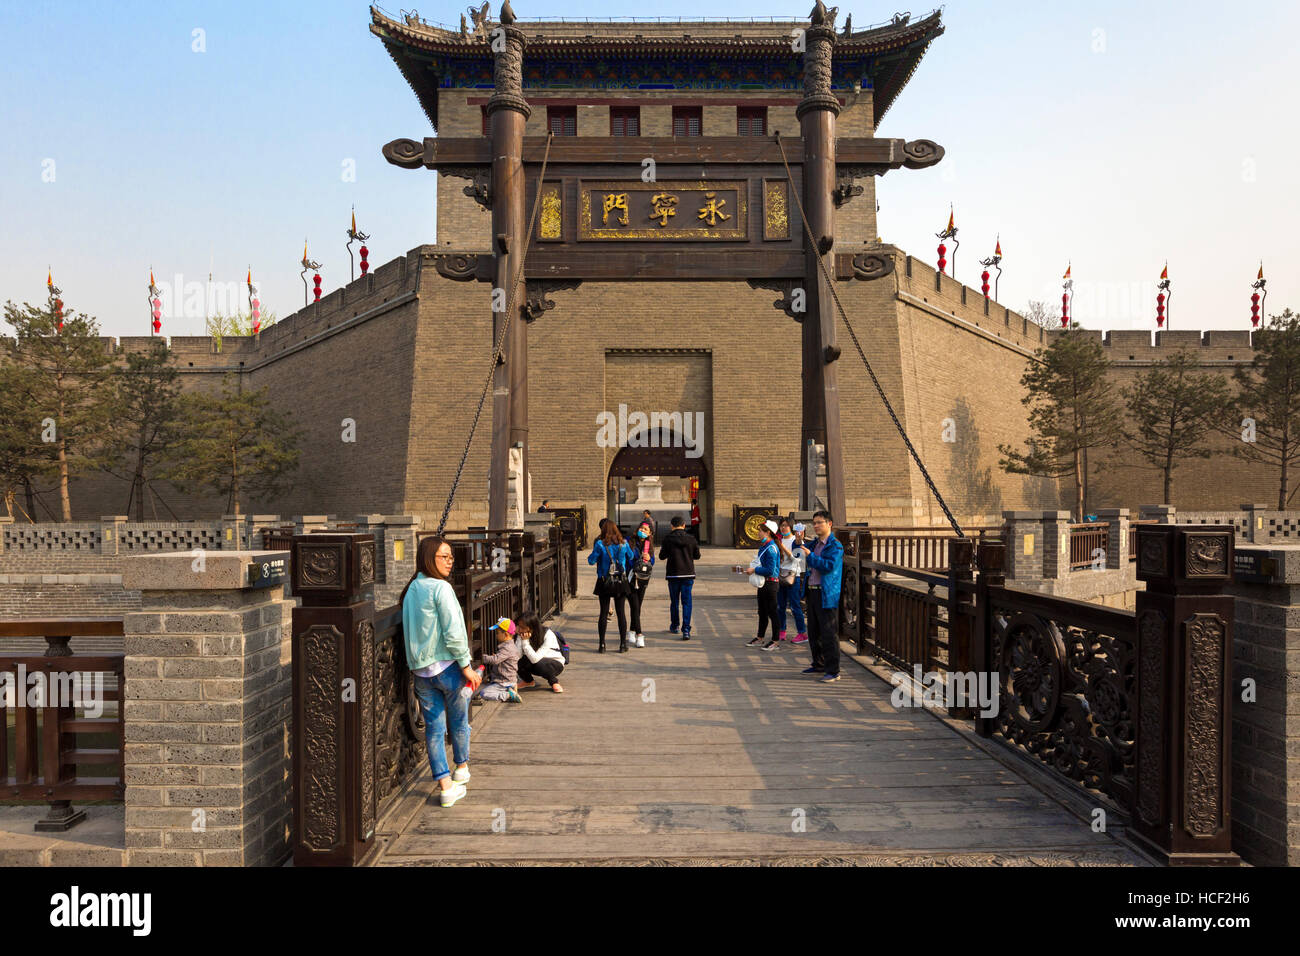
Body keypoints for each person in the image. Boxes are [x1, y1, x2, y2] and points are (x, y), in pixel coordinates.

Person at [400, 535, 480, 808]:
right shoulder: (441, 589)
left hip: (421, 672)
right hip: (448, 667)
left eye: (450, 557)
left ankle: (445, 786)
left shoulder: (412, 589)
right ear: (429, 558)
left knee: (434, 730)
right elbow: (454, 632)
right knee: (458, 722)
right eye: (443, 557)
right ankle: (461, 768)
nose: (450, 562)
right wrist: (466, 666)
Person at [803, 510, 845, 682]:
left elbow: (827, 566)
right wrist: (799, 540)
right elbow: (801, 552)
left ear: (829, 524)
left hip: (826, 593)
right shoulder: (815, 544)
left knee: (829, 633)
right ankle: (818, 663)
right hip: (812, 590)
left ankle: (833, 670)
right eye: (814, 523)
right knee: (813, 632)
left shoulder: (835, 546)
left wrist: (810, 557)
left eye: (819, 522)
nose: (816, 526)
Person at [588, 520, 634, 653]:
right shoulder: (623, 543)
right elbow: (631, 557)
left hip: (604, 581)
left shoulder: (600, 544)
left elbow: (591, 561)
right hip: (620, 581)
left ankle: (602, 645)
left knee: (603, 612)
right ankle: (622, 644)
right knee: (621, 613)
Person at [744, 520, 790, 650]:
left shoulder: (771, 548)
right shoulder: (765, 546)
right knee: (762, 612)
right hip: (764, 583)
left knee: (772, 612)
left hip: (771, 583)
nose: (758, 533)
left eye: (760, 530)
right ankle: (760, 637)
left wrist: (754, 570)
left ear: (768, 532)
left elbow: (770, 570)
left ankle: (775, 640)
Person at [659, 514, 701, 639]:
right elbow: (697, 556)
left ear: (672, 526)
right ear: (683, 525)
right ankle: (686, 629)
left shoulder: (667, 539)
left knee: (674, 602)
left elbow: (662, 556)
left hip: (673, 574)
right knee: (687, 602)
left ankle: (675, 625)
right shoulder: (691, 538)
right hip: (688, 573)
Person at [515, 610, 566, 693]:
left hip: (554, 664)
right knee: (516, 661)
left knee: (540, 663)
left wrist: (525, 642)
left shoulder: (548, 634)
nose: (520, 630)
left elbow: (535, 659)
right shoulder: (522, 634)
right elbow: (517, 656)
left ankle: (554, 682)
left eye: (523, 627)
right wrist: (519, 637)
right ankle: (528, 681)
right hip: (536, 661)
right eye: (519, 627)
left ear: (532, 627)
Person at [776, 518, 808, 645]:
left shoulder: (797, 541)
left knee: (795, 606)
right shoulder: (779, 540)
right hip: (780, 574)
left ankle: (802, 633)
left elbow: (798, 560)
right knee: (780, 606)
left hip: (793, 576)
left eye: (786, 526)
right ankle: (782, 630)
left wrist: (782, 546)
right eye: (781, 526)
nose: (783, 528)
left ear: (791, 527)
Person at [476, 617, 523, 703]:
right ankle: (511, 689)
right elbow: (501, 659)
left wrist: (482, 657)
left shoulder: (507, 648)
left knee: (484, 693)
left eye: (497, 633)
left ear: (505, 634)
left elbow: (495, 660)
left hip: (504, 681)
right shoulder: (511, 646)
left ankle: (507, 695)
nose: (496, 635)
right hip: (509, 679)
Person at [626, 520, 655, 648]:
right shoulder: (629, 541)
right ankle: (639, 635)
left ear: (650, 533)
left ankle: (631, 631)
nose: (642, 531)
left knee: (637, 607)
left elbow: (652, 562)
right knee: (635, 606)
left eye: (645, 530)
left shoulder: (649, 545)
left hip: (643, 579)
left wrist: (649, 558)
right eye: (641, 529)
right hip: (631, 578)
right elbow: (626, 558)